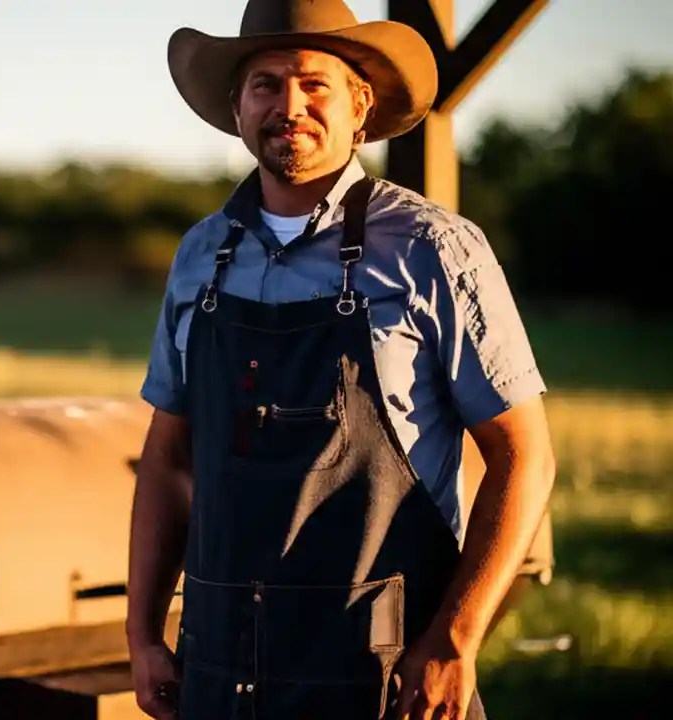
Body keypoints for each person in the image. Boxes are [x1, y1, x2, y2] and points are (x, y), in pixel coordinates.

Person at [124, 1, 557, 719]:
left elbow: (524, 458)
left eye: (312, 84)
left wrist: (454, 640)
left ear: (360, 107)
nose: (287, 106)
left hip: (384, 680)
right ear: (237, 107)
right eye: (264, 84)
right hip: (222, 674)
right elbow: (169, 461)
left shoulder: (434, 249)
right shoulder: (200, 255)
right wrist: (142, 634)